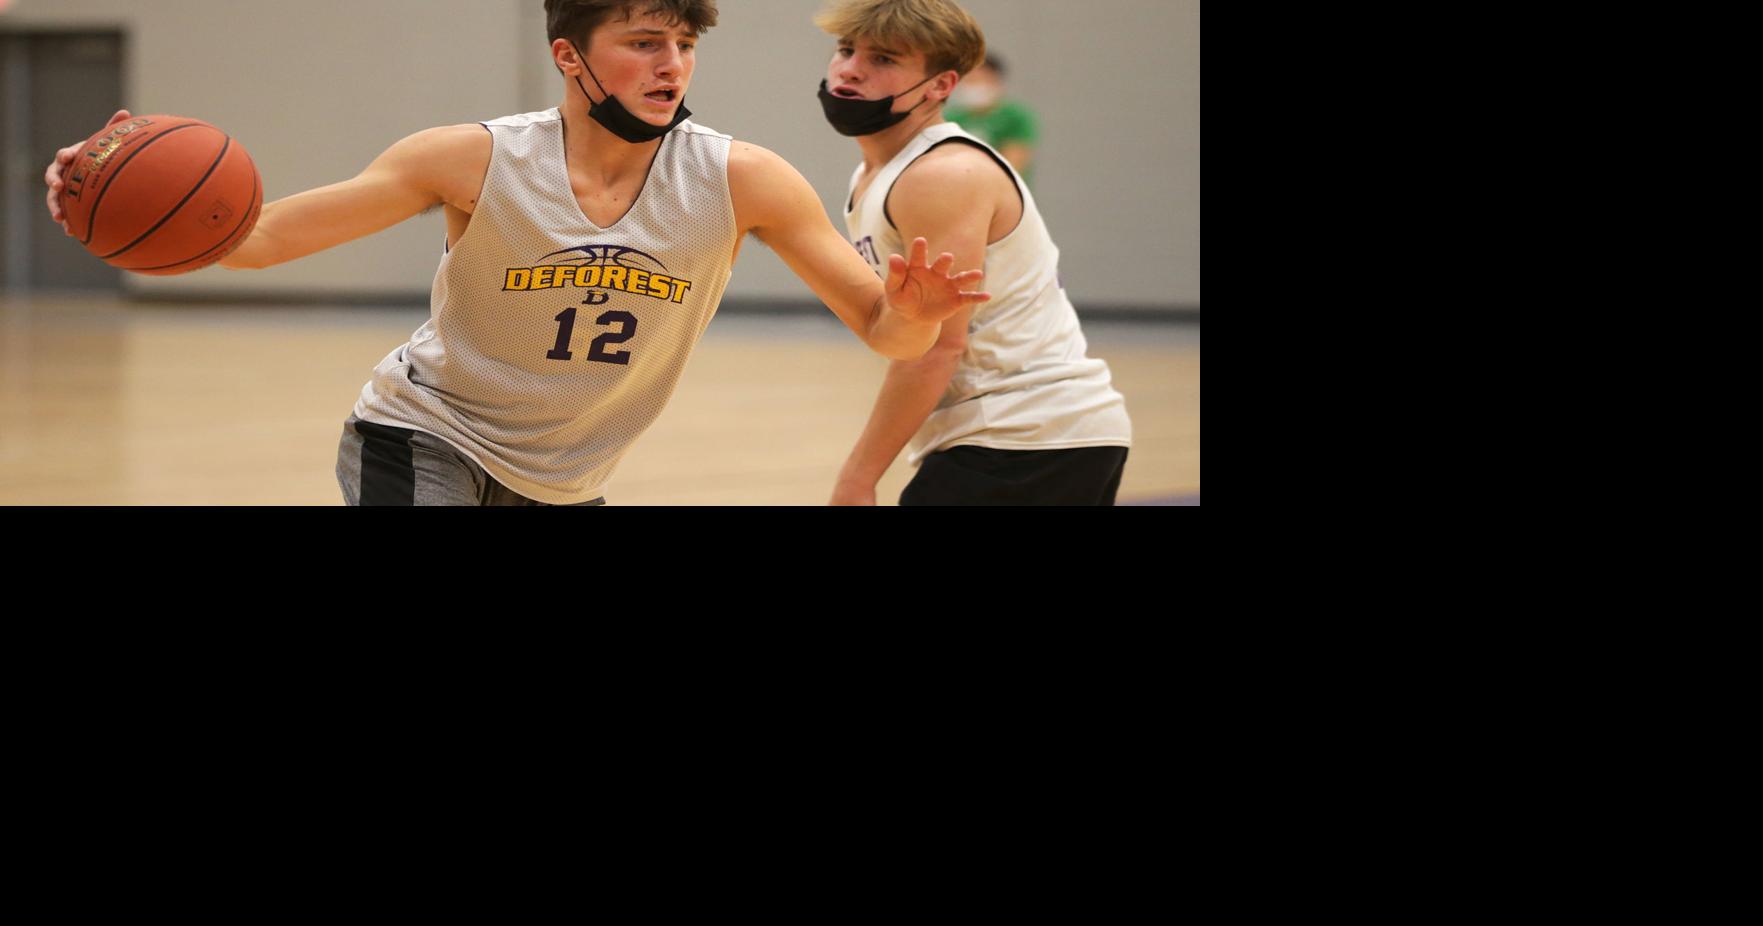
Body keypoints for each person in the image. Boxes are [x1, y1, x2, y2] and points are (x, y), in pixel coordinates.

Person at [41, 0, 988, 507]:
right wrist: (103, 203)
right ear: (572, 58)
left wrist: (914, 310)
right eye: (645, 42)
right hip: (425, 435)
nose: (672, 66)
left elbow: (886, 335)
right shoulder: (470, 156)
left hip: (568, 477)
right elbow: (265, 236)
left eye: (684, 44)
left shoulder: (745, 179)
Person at [815, 0, 1132, 506]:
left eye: (884, 59)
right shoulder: (875, 173)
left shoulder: (942, 174)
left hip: (1025, 435)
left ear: (940, 86)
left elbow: (940, 345)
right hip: (1020, 436)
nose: (851, 68)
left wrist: (859, 474)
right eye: (846, 49)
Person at [944, 53, 1038, 186]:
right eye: (969, 80)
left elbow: (1014, 162)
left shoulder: (1015, 117)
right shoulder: (952, 118)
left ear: (996, 81)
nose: (974, 86)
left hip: (1004, 190)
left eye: (980, 80)